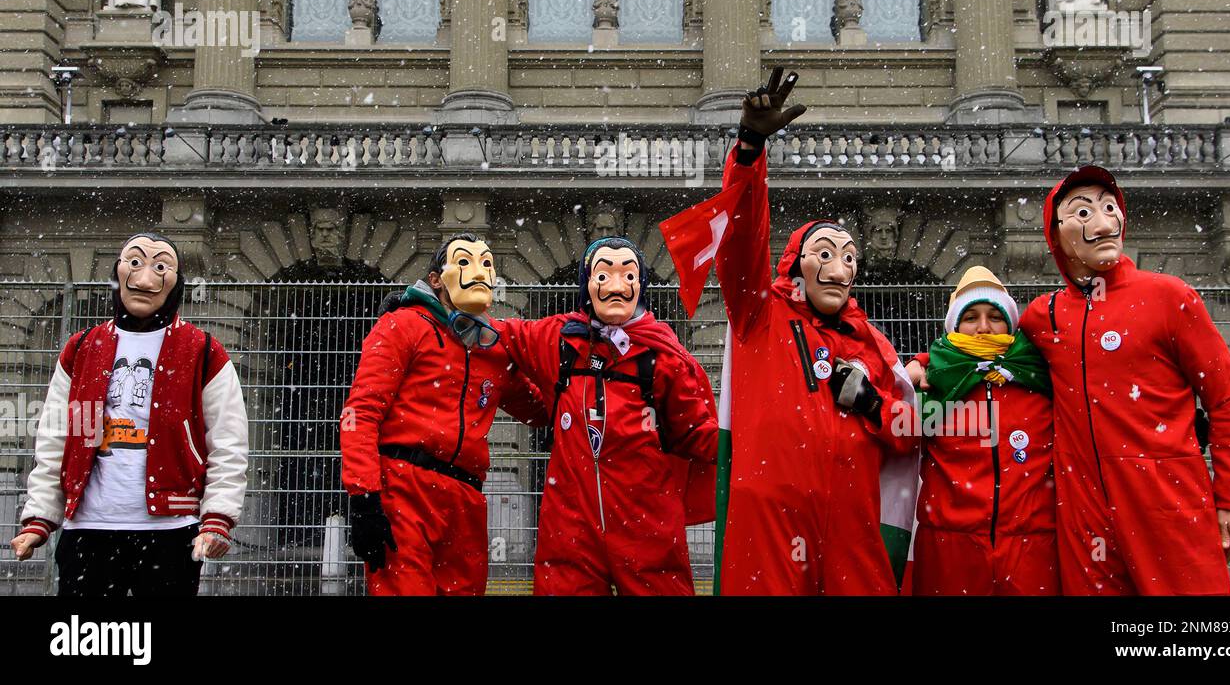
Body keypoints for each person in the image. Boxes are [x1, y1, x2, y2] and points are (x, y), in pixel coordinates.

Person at [713, 68, 919, 595]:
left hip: (853, 520)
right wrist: (750, 147)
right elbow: (739, 237)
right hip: (771, 517)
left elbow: (913, 432)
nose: (840, 267)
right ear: (795, 264)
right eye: (825, 254)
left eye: (849, 258)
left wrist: (874, 405)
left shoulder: (873, 343)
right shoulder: (760, 312)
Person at [1020, 165, 1230, 594]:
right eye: (1083, 212)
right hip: (1083, 512)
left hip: (1168, 502)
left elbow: (1229, 400)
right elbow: (981, 345)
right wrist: (924, 361)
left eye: (1110, 207)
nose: (1105, 220)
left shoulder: (1170, 297)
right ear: (1056, 235)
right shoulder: (1043, 316)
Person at [10, 233, 249, 596]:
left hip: (171, 532)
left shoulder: (202, 351)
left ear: (175, 281)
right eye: (135, 262)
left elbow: (228, 443)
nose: (145, 277)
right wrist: (40, 517)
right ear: (118, 272)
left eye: (160, 266)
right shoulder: (83, 348)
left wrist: (218, 519)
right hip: (86, 532)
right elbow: (56, 439)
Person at [494, 237, 718, 595]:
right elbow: (493, 338)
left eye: (629, 276)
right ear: (588, 284)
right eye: (604, 275)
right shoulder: (559, 339)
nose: (616, 286)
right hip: (570, 530)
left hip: (647, 528)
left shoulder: (664, 356)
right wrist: (430, 307)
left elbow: (693, 432)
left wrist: (745, 442)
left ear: (640, 286)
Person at [340, 233, 548, 595]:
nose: (480, 272)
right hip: (405, 488)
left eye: (487, 264)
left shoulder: (491, 347)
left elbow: (540, 410)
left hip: (465, 498)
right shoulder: (403, 325)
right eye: (465, 262)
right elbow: (362, 412)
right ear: (436, 279)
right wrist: (365, 497)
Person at [904, 266, 1058, 595]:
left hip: (1032, 549)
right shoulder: (934, 383)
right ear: (955, 325)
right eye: (971, 317)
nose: (983, 329)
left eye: (994, 316)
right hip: (949, 552)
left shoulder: (1043, 380)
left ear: (1011, 324)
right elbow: (894, 439)